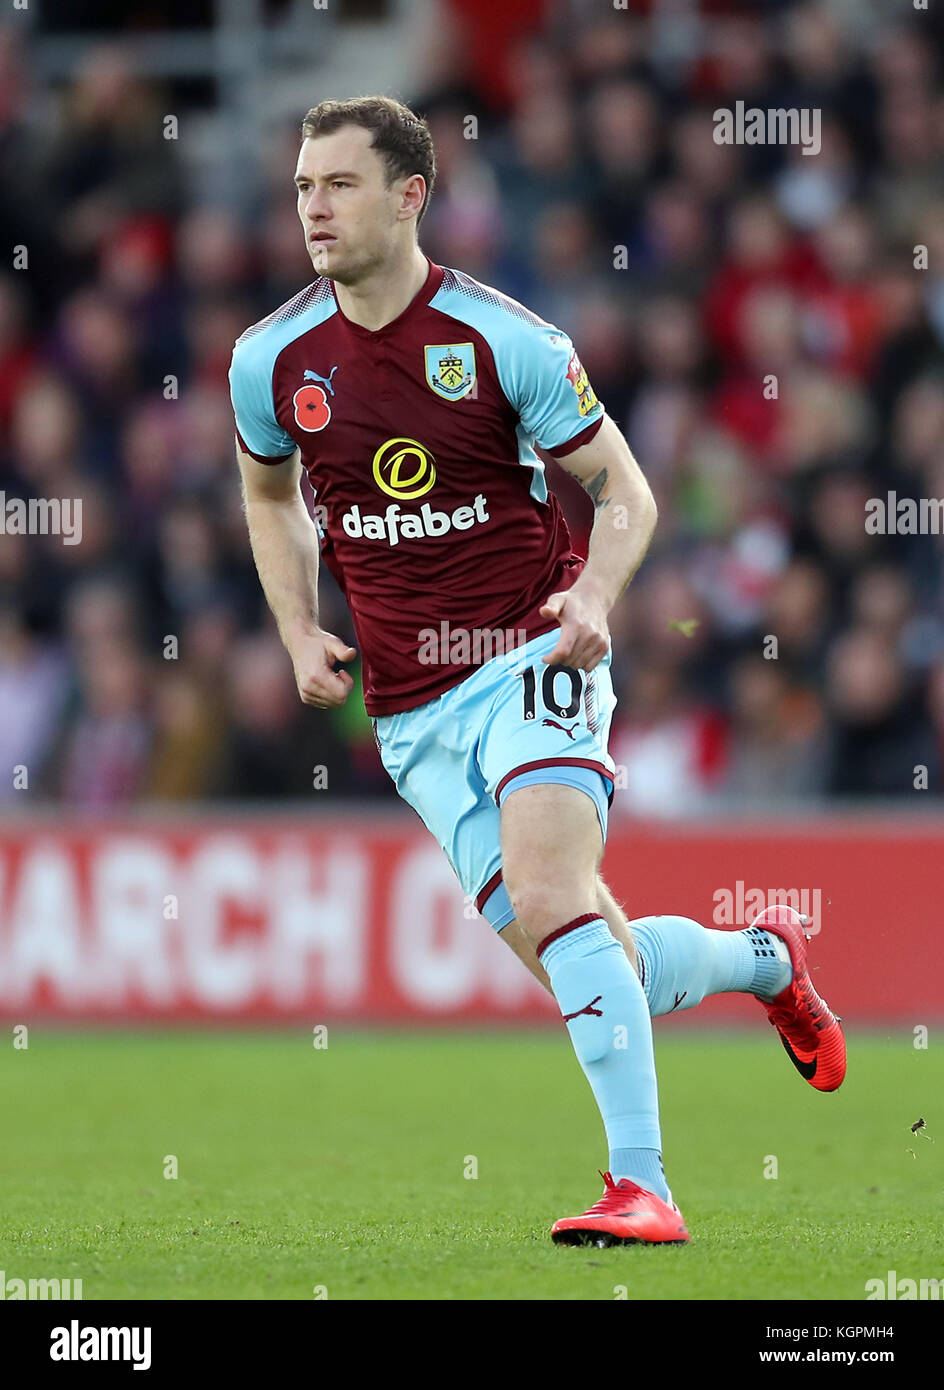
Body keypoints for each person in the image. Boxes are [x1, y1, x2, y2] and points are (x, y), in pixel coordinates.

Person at [229, 95, 845, 1247]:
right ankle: (766, 959)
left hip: (530, 650)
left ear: (409, 197)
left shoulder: (501, 338)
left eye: (340, 183)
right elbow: (269, 497)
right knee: (595, 963)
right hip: (409, 712)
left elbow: (627, 491)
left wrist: (595, 595)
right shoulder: (269, 358)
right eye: (304, 184)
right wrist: (297, 627)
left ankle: (641, 1187)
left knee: (556, 898)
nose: (313, 206)